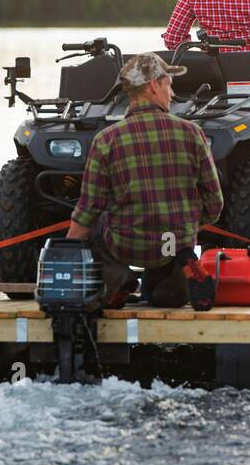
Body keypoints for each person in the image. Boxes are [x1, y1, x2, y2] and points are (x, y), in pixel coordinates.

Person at [65, 53, 223, 308]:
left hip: (126, 245)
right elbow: (215, 205)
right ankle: (176, 280)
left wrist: (68, 251)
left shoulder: (106, 139)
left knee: (96, 224)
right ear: (153, 85)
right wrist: (189, 224)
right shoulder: (193, 133)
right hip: (173, 243)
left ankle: (118, 279)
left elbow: (88, 211)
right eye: (169, 85)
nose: (172, 94)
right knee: (164, 281)